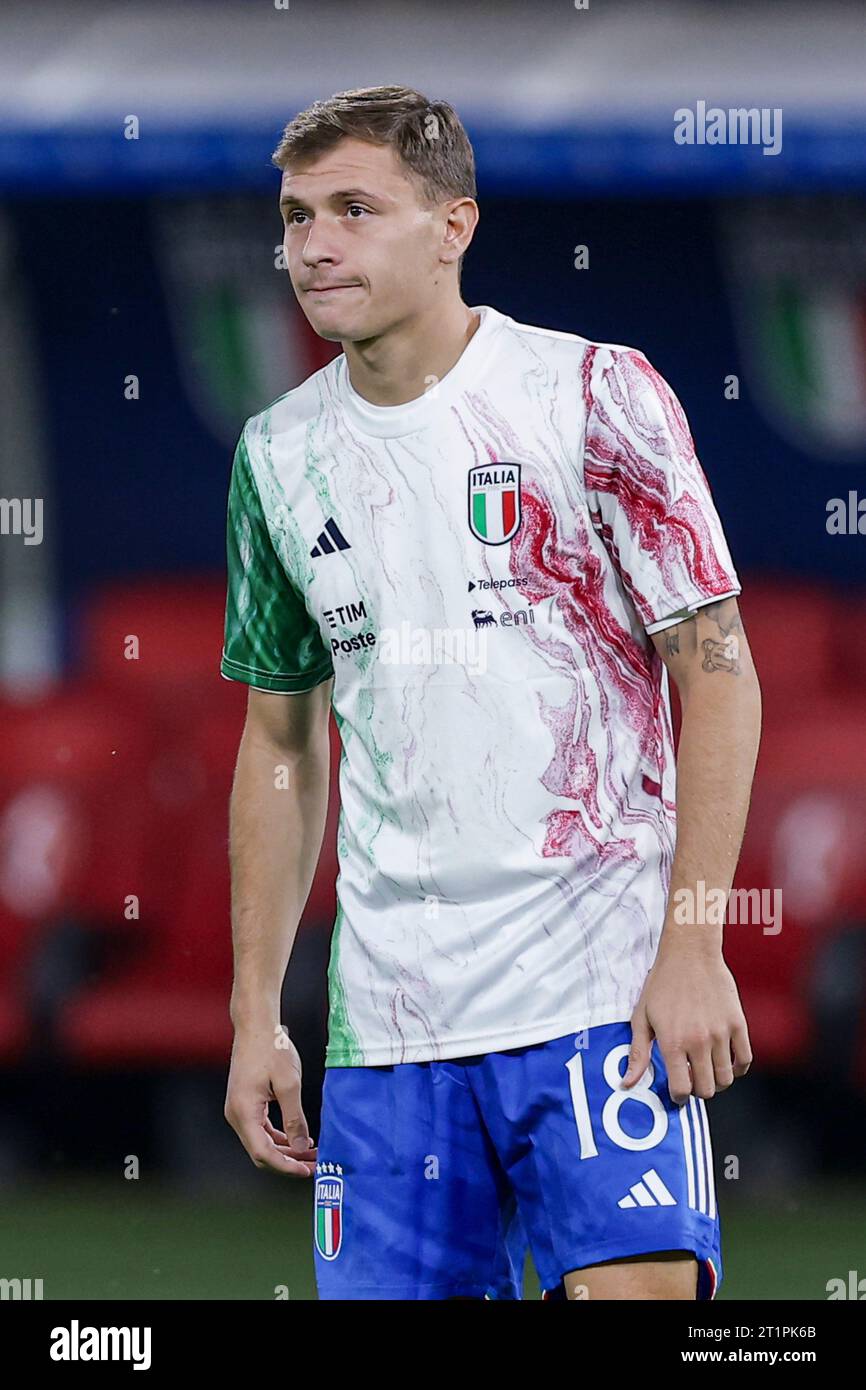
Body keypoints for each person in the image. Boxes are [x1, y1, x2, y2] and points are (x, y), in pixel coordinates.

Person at [221, 85, 761, 1301]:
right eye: (297, 216)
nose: (312, 246)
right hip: (389, 1036)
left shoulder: (590, 395)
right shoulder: (276, 456)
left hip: (596, 998)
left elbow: (717, 673)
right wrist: (256, 1008)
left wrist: (692, 944)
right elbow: (280, 742)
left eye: (353, 210)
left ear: (453, 224)